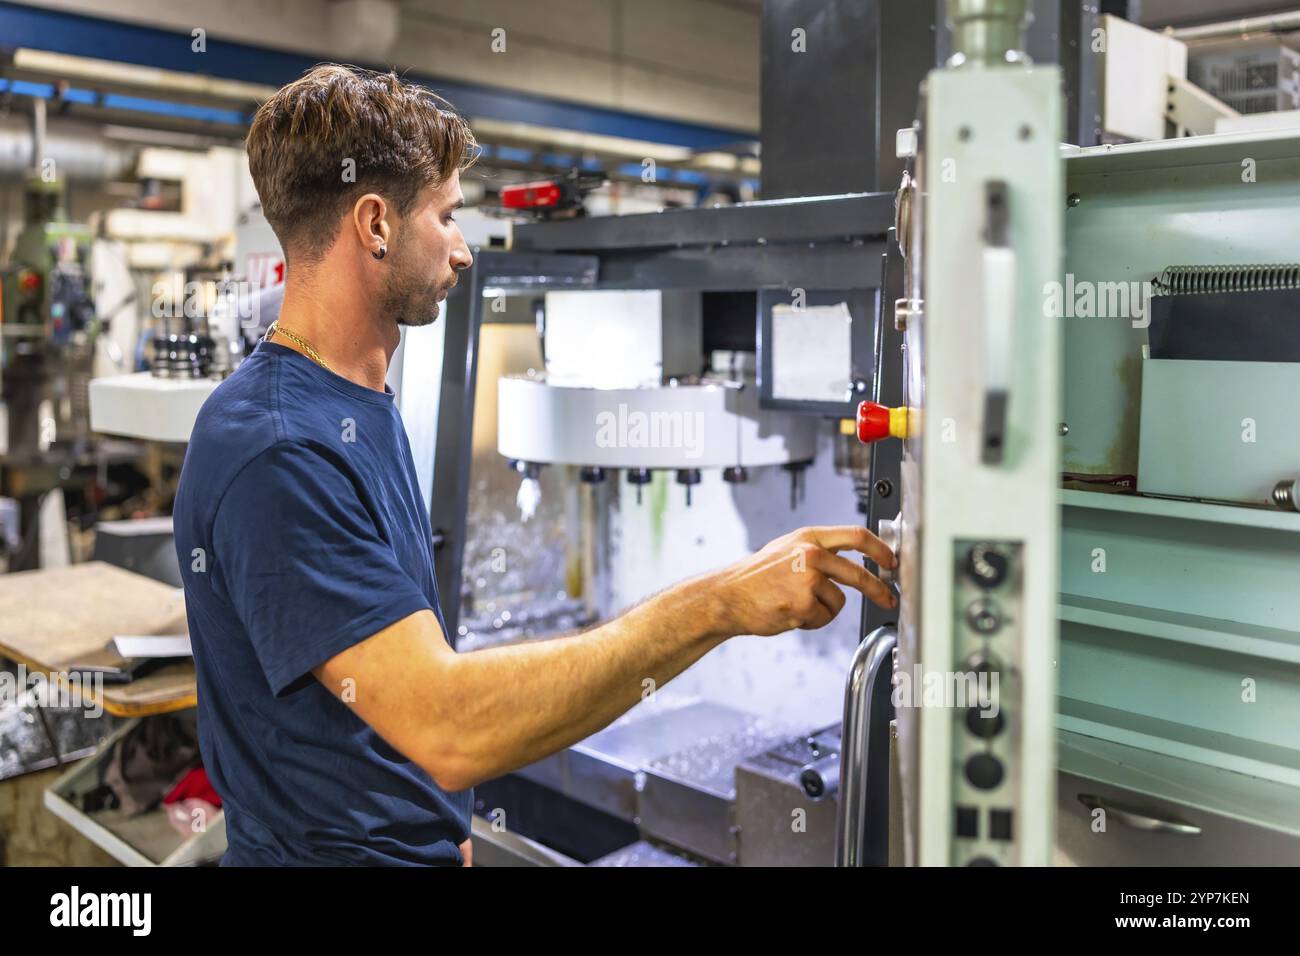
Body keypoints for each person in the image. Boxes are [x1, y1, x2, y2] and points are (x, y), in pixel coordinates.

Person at [173, 64, 895, 867]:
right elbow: (447, 723)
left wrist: (441, 824)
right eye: (446, 218)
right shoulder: (278, 448)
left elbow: (392, 708)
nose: (463, 251)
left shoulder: (355, 405)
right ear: (375, 224)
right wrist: (721, 601)